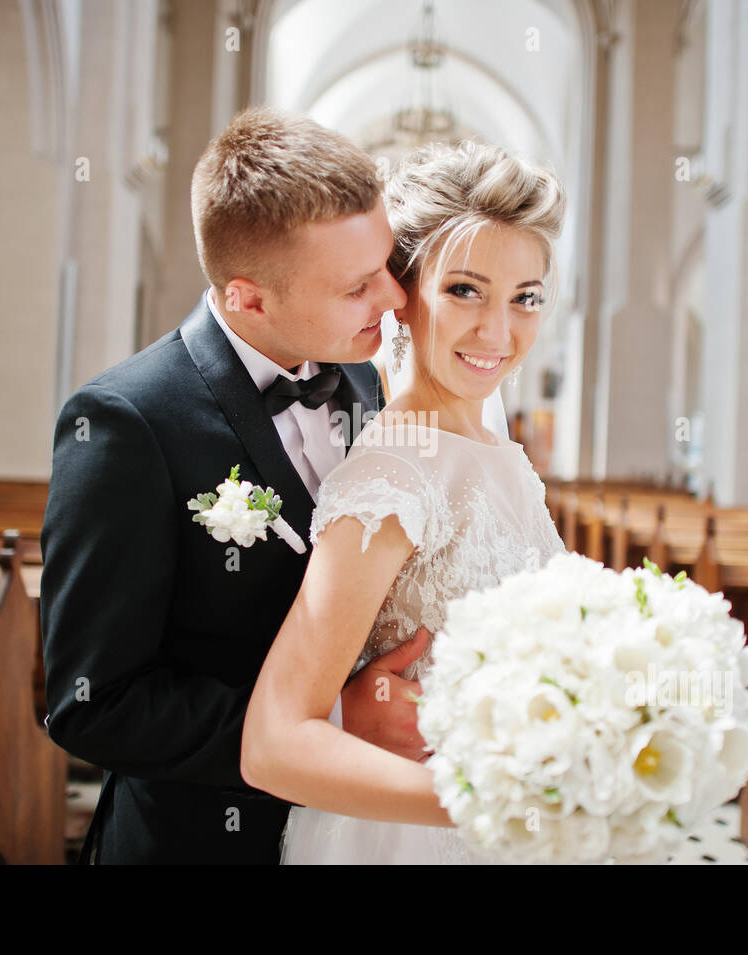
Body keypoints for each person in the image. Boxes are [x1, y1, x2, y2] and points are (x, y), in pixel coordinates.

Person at [40, 107, 432, 864]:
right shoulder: (126, 424)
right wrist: (330, 726)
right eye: (356, 286)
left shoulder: (363, 378)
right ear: (248, 298)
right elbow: (92, 703)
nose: (392, 298)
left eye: (386, 263)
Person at [240, 140, 568, 863]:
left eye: (526, 298)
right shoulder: (393, 472)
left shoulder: (504, 458)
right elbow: (272, 742)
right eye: (464, 290)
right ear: (403, 292)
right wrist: (488, 804)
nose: (497, 331)